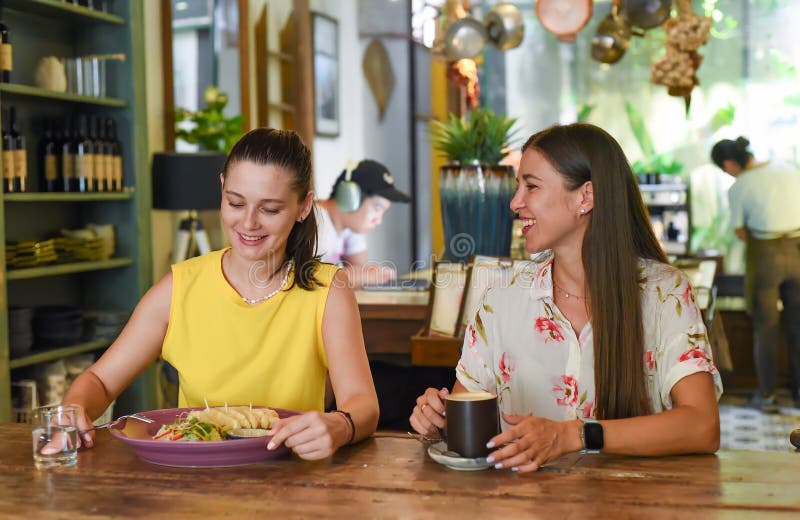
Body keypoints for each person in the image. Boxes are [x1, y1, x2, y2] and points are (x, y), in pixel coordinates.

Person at [410, 123, 722, 472]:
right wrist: (439, 419)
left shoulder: (665, 294)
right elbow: (467, 414)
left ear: (585, 197)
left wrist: (576, 434)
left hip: (632, 498)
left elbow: (702, 426)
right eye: (518, 187)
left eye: (531, 186)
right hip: (524, 499)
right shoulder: (502, 300)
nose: (515, 203)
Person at [63, 128, 379, 459]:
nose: (249, 222)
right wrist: (74, 410)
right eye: (235, 203)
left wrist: (339, 425)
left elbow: (363, 404)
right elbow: (100, 381)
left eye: (270, 209)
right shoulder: (178, 288)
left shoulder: (329, 290)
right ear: (222, 188)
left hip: (293, 475)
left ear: (304, 207)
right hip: (195, 476)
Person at [711, 136, 800, 412]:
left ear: (729, 164)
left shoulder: (739, 187)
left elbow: (740, 231)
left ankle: (768, 395)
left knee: (766, 327)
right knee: (798, 325)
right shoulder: (788, 168)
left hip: (765, 255)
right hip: (798, 250)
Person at [316, 159, 411, 288]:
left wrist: (366, 274)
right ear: (350, 196)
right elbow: (310, 280)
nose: (378, 221)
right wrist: (365, 275)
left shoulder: (349, 226)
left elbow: (359, 273)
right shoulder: (315, 223)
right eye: (377, 208)